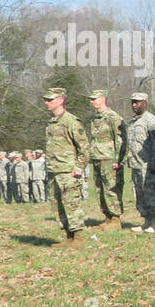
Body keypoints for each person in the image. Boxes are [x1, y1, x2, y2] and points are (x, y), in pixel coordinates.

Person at [43, 86, 90, 245]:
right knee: (56, 203)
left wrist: (78, 167)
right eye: (46, 100)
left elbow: (84, 147)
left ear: (60, 100)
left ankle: (78, 237)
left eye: (50, 100)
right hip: (54, 170)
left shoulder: (70, 121)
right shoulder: (52, 122)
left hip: (68, 171)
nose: (47, 102)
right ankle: (69, 236)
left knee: (71, 203)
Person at [86, 89, 127, 224]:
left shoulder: (113, 117)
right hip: (97, 157)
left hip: (109, 158)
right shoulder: (95, 118)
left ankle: (115, 218)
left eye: (95, 99)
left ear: (103, 99)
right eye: (91, 99)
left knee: (111, 188)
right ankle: (107, 217)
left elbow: (120, 140)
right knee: (100, 188)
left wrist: (118, 160)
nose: (92, 102)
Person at [125, 92, 155, 233]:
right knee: (140, 194)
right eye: (133, 102)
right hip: (136, 165)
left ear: (145, 103)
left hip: (148, 165)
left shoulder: (151, 120)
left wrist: (154, 163)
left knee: (151, 193)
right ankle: (147, 221)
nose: (134, 105)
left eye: (137, 102)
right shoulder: (133, 121)